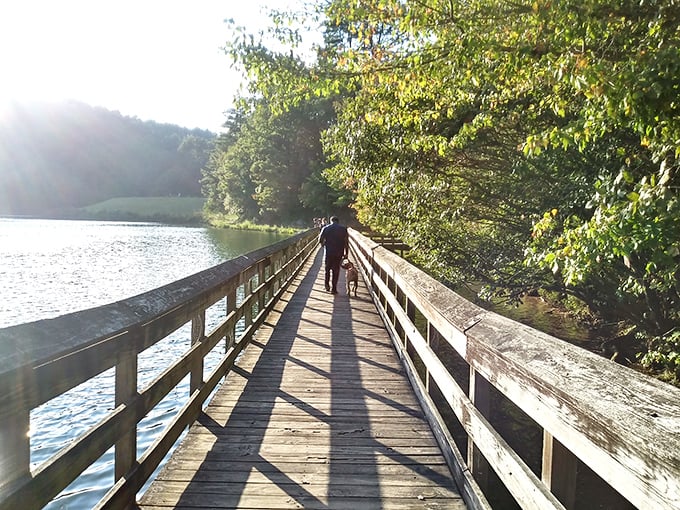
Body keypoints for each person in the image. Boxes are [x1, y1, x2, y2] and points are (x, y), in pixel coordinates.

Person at [319, 216, 348, 294]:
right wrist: (346, 253)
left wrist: (323, 245)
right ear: (338, 221)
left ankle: (327, 285)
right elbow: (346, 242)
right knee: (336, 270)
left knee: (327, 269)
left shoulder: (325, 228)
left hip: (328, 252)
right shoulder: (343, 229)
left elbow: (320, 239)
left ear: (331, 221)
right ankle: (334, 288)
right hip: (339, 252)